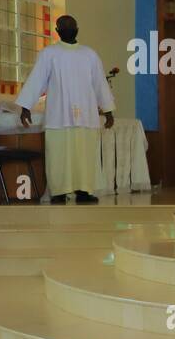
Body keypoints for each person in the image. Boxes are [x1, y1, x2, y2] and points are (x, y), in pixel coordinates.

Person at [16, 15, 115, 204]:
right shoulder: (48, 53)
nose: (68, 29)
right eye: (64, 26)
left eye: (71, 26)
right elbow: (36, 81)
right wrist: (25, 107)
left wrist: (108, 111)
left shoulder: (90, 54)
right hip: (58, 114)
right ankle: (59, 192)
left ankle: (84, 191)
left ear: (77, 29)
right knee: (58, 155)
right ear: (57, 31)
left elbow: (100, 84)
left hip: (86, 114)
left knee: (84, 155)